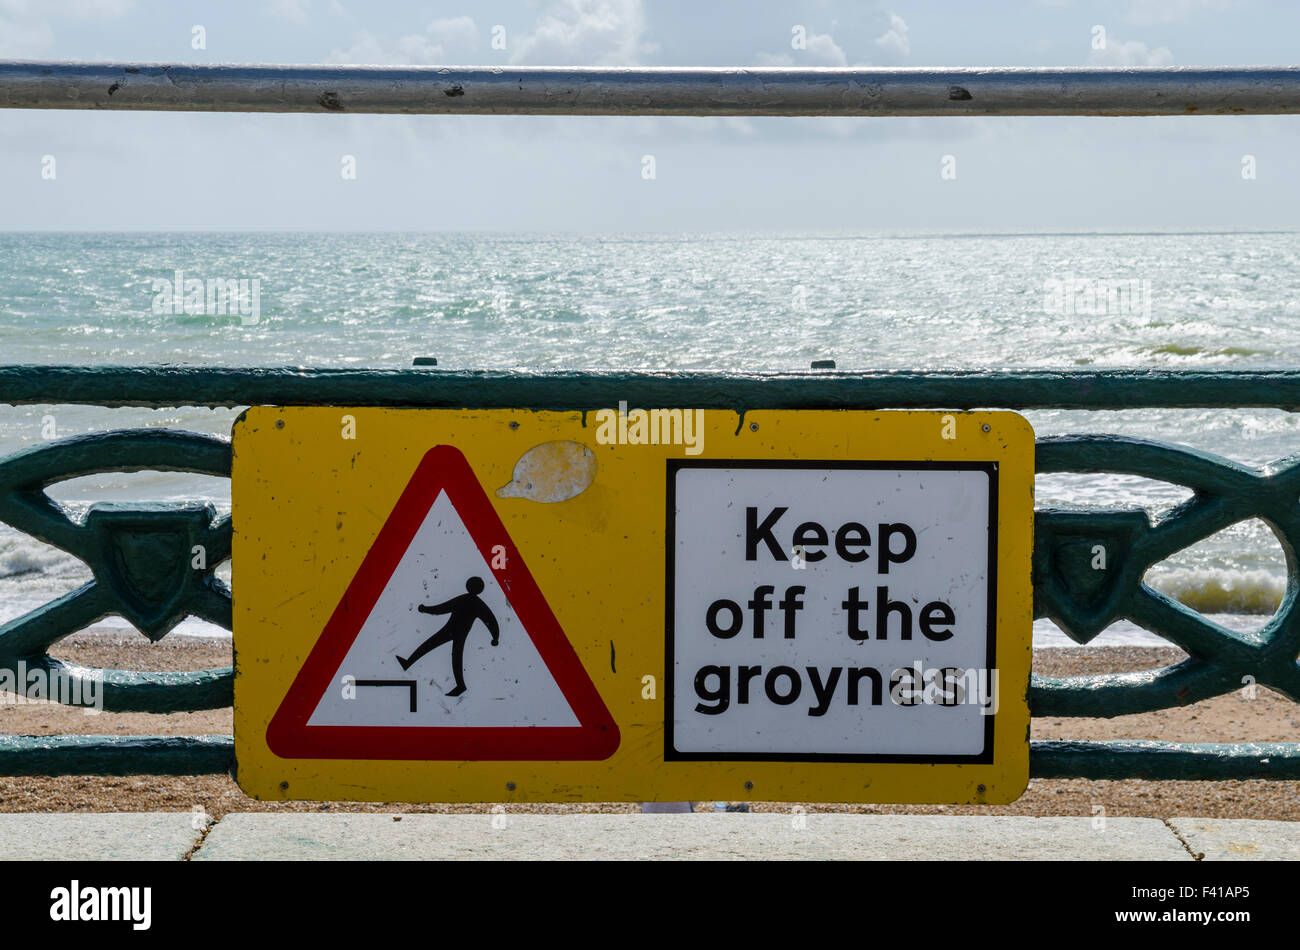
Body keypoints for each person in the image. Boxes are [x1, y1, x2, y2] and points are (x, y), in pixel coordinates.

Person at [396, 576, 500, 696]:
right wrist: (495, 637)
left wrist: (425, 609)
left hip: (451, 630)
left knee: (433, 647)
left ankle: (460, 686)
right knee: (450, 655)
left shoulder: (464, 600)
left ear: (468, 586)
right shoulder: (479, 604)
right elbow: (491, 622)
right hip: (456, 632)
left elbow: (441, 608)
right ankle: (408, 663)